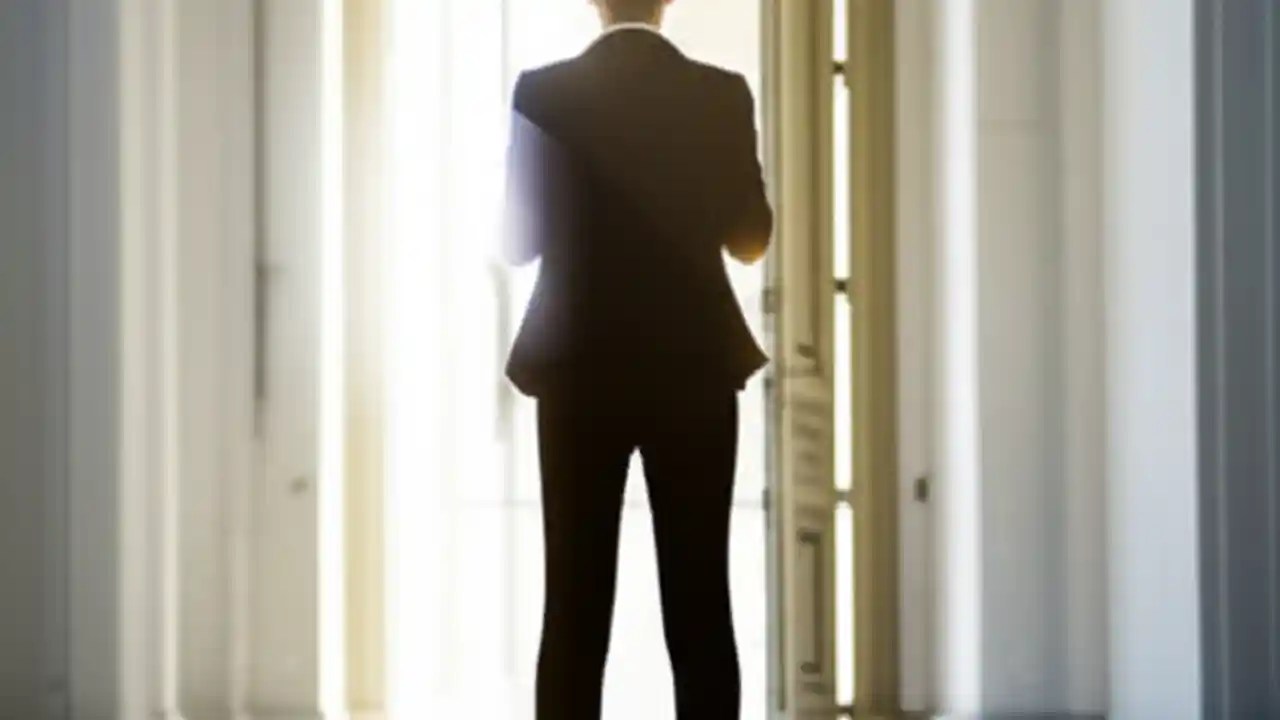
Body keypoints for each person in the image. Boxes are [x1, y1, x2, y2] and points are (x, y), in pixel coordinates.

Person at [502, 0, 772, 716]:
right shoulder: (721, 93)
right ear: (666, 4)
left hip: (578, 368)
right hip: (693, 369)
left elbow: (518, 240)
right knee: (700, 603)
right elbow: (751, 238)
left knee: (574, 605)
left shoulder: (542, 91)